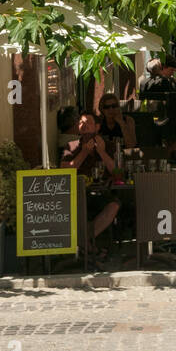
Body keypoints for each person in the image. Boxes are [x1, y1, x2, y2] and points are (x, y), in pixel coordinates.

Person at [62, 111, 121, 263]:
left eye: (88, 122)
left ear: (97, 127)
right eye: (81, 123)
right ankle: (89, 247)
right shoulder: (71, 146)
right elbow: (63, 171)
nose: (84, 125)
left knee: (114, 205)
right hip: (78, 194)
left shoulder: (108, 145)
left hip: (102, 192)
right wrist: (83, 153)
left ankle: (84, 241)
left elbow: (117, 173)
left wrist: (101, 152)